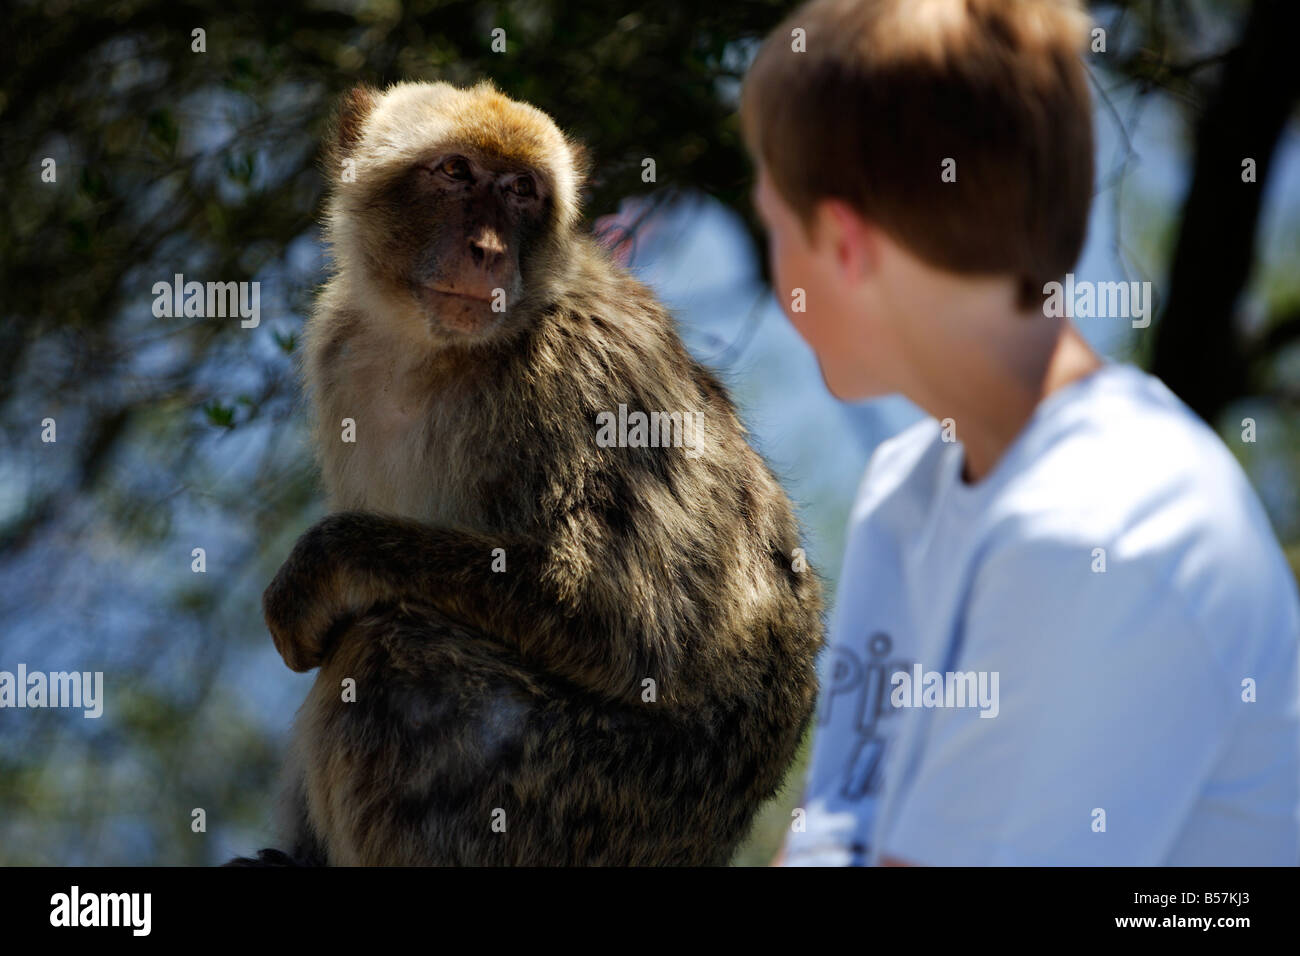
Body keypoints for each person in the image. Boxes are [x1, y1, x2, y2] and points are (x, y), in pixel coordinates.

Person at [741, 0, 1300, 865]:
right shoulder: (910, 489)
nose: (775, 263)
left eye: (775, 225)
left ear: (845, 247)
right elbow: (836, 830)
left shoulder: (1102, 537)